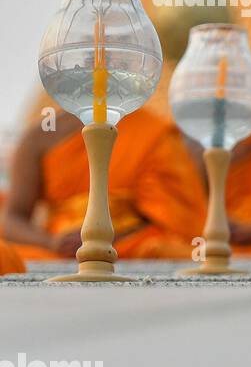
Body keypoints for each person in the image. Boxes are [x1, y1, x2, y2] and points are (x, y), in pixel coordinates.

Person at [3, 108, 206, 260]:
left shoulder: (152, 131)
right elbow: (12, 220)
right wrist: (52, 242)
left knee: (188, 255)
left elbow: (178, 219)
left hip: (132, 246)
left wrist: (110, 238)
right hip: (63, 250)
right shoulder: (41, 135)